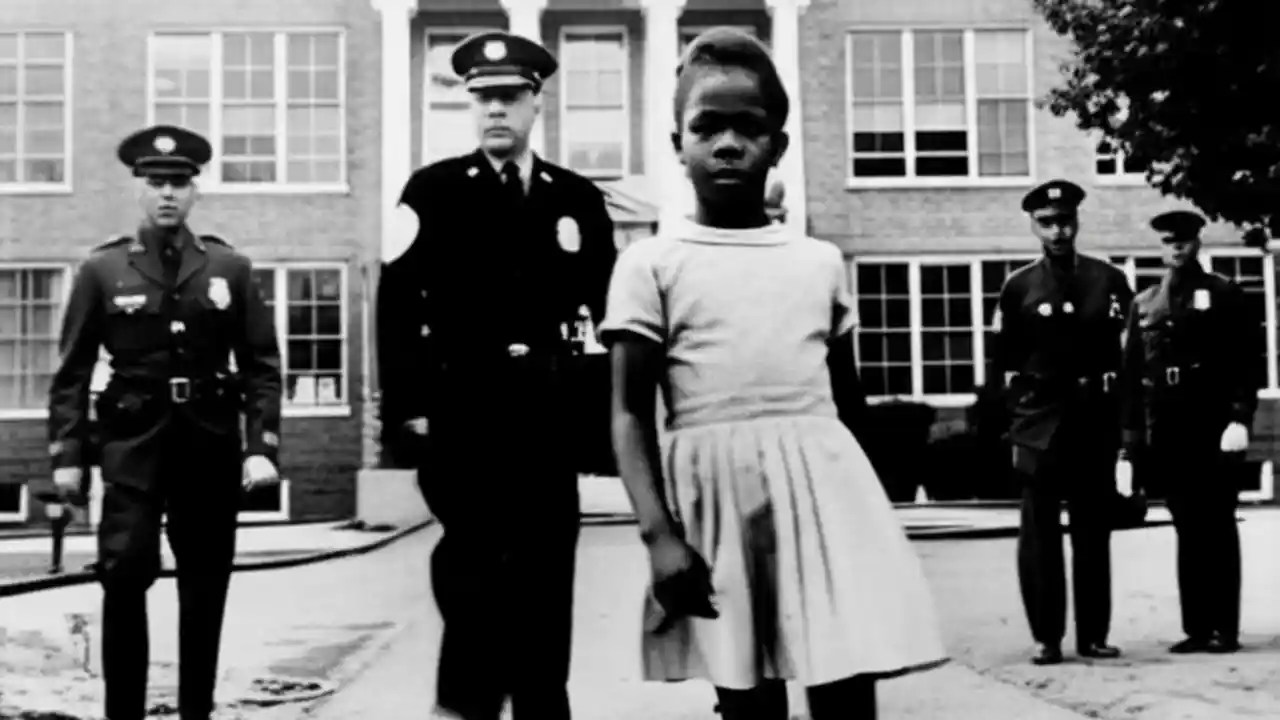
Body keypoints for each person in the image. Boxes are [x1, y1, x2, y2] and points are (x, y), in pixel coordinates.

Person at [601, 28, 947, 720]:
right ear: (677, 145)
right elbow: (629, 411)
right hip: (720, 500)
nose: (728, 144)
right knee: (748, 692)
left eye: (749, 128)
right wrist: (659, 534)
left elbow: (848, 404)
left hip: (827, 495)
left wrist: (872, 516)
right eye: (707, 128)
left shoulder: (818, 261)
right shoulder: (651, 264)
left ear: (778, 144)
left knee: (846, 680)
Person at [374, 31, 617, 720]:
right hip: (464, 420)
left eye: (509, 97)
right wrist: (407, 410)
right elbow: (397, 309)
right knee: (473, 571)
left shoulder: (576, 199)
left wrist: (599, 423)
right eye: (482, 99)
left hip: (546, 423)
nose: (495, 111)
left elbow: (607, 315)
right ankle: (467, 704)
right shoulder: (433, 191)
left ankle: (538, 706)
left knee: (545, 575)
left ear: (536, 103)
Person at [46, 124, 282, 720]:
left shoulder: (229, 267)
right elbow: (72, 372)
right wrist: (68, 457)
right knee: (124, 577)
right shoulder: (103, 270)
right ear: (139, 190)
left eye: (179, 182)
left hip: (208, 443)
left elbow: (262, 365)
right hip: (132, 444)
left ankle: (196, 712)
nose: (168, 194)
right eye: (156, 183)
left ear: (196, 191)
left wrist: (261, 446)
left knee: (205, 585)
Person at [990, 179, 1135, 666]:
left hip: (1093, 419)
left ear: (1077, 222)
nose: (1058, 231)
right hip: (1041, 424)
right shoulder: (1019, 286)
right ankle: (1046, 636)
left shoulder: (1108, 279)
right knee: (1040, 536)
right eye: (1047, 223)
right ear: (1034, 226)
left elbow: (1127, 357)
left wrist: (1127, 431)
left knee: (1093, 530)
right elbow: (1002, 363)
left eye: (1065, 221)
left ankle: (1093, 634)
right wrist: (1014, 426)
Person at [1120, 210, 1256, 654]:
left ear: (1197, 242)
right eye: (1168, 241)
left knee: (1217, 522)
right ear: (1160, 246)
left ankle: (1224, 628)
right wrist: (1131, 442)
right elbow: (1132, 375)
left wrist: (1239, 416)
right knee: (1186, 524)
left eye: (1183, 240)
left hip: (1212, 422)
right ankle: (1197, 627)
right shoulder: (1145, 304)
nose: (1176, 248)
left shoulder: (1224, 294)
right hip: (1168, 426)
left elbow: (1244, 361)